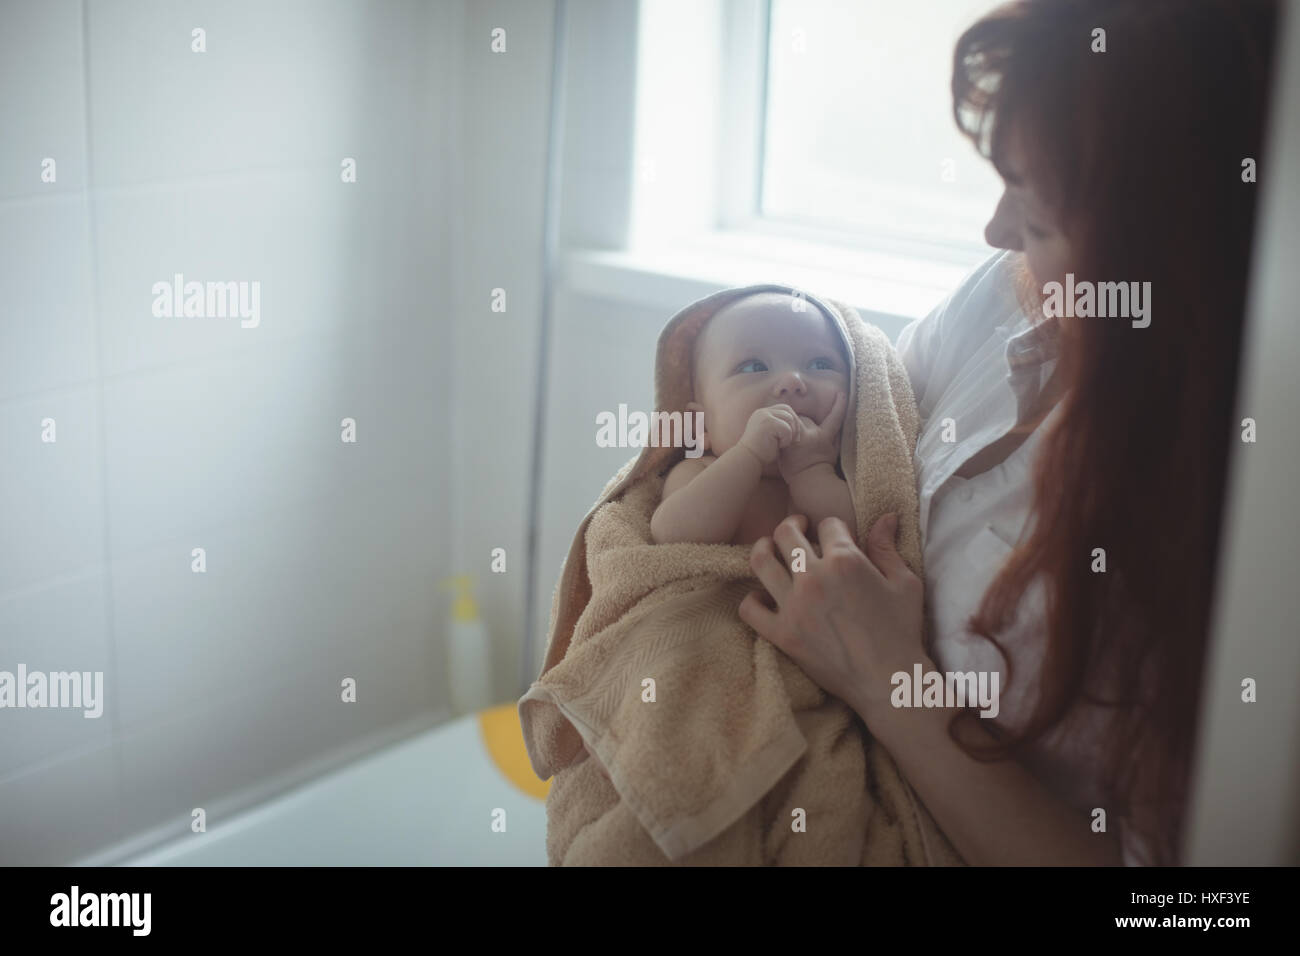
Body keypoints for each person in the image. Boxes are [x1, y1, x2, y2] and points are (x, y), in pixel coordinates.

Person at [737, 0, 1280, 865]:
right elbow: (859, 427)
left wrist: (892, 686)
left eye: (1037, 214)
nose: (997, 234)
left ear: (1171, 252)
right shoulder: (1006, 296)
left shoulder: (1242, 532)